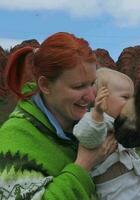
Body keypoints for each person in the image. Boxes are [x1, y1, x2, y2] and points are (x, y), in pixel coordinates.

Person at [0, 32, 117, 199]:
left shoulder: (86, 122)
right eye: (78, 86)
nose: (91, 96)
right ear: (45, 85)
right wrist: (84, 164)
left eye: (92, 83)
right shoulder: (13, 141)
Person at [73, 67, 140, 200]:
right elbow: (87, 138)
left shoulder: (122, 122)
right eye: (125, 97)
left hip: (135, 175)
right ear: (101, 97)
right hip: (115, 188)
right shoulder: (92, 119)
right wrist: (98, 114)